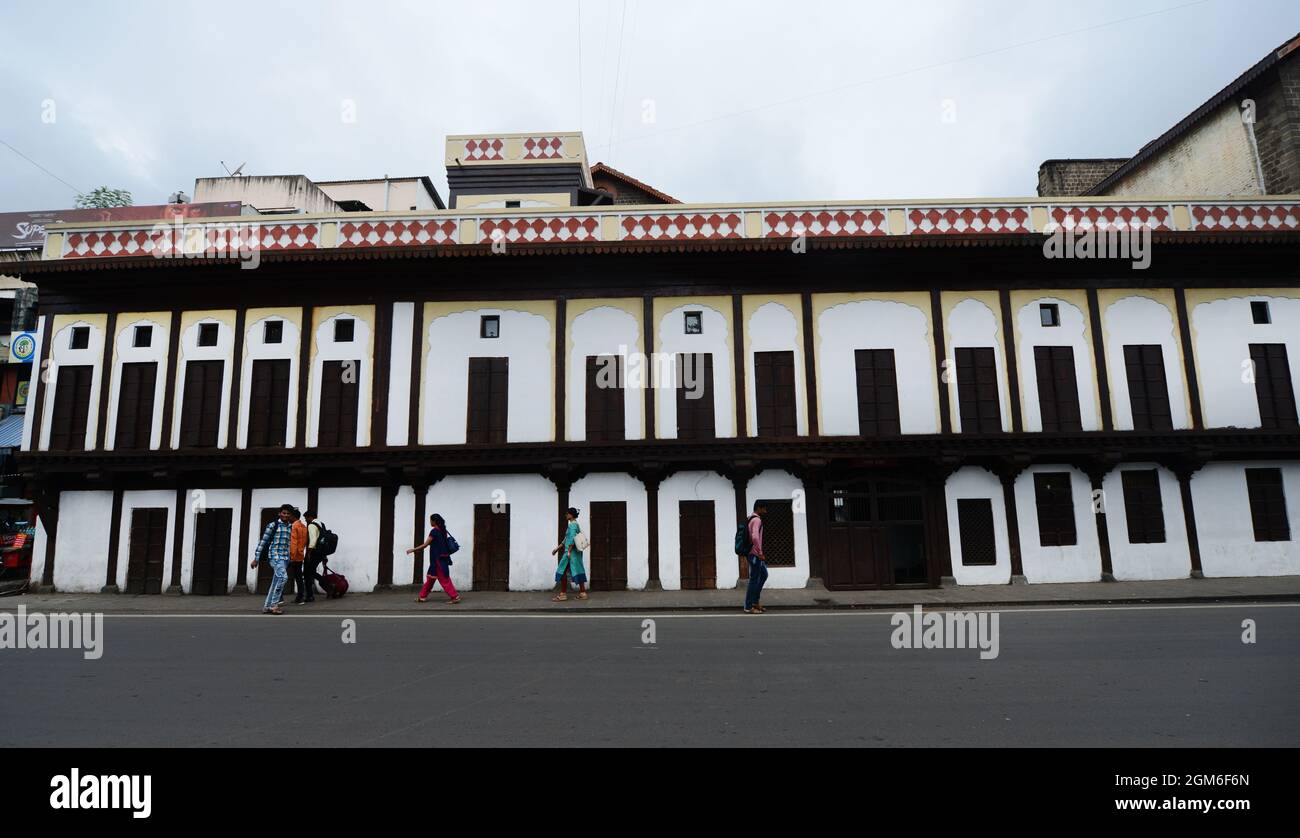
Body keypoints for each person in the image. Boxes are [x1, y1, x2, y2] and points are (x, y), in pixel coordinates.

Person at [251, 504, 295, 615]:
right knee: (283, 577)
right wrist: (256, 558)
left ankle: (267, 606)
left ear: (290, 515)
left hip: (285, 558)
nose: (285, 515)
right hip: (274, 556)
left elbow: (289, 544)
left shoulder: (291, 527)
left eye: (288, 514)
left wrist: (291, 557)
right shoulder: (272, 525)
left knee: (276, 581)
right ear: (279, 513)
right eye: (284, 513)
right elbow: (263, 541)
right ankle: (274, 605)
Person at [407, 513, 461, 604]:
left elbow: (425, 544)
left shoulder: (434, 531)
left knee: (444, 579)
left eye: (431, 520)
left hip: (438, 560)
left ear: (434, 521)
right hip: (440, 559)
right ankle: (422, 597)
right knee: (430, 578)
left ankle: (455, 597)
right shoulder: (443, 531)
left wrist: (413, 549)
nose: (430, 522)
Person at [550, 507, 587, 602]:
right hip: (576, 553)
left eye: (567, 513)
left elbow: (571, 540)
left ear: (571, 515)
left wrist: (569, 552)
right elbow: (567, 539)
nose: (566, 515)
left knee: (562, 571)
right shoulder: (575, 524)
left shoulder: (572, 525)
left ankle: (563, 594)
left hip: (570, 553)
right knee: (578, 570)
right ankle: (582, 593)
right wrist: (557, 548)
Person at [743, 501, 768, 614]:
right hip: (755, 554)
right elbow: (755, 537)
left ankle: (754, 602)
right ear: (759, 508)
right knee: (754, 579)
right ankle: (748, 606)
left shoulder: (750, 518)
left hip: (752, 553)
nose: (765, 511)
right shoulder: (757, 520)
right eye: (764, 509)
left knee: (763, 574)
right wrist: (760, 552)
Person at [302, 509, 323, 602]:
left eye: (306, 518)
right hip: (320, 552)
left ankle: (309, 595)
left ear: (310, 517)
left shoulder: (311, 525)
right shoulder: (321, 524)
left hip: (313, 552)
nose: (305, 520)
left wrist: (309, 553)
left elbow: (313, 541)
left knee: (307, 573)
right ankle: (329, 586)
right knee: (311, 572)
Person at [289, 508, 309, 604]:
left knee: (282, 576)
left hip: (294, 555)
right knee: (299, 577)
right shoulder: (303, 526)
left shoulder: (294, 526)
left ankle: (278, 598)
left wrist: (292, 556)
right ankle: (300, 597)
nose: (288, 517)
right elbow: (304, 542)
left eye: (289, 515)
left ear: (293, 516)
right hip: (300, 554)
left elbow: (293, 543)